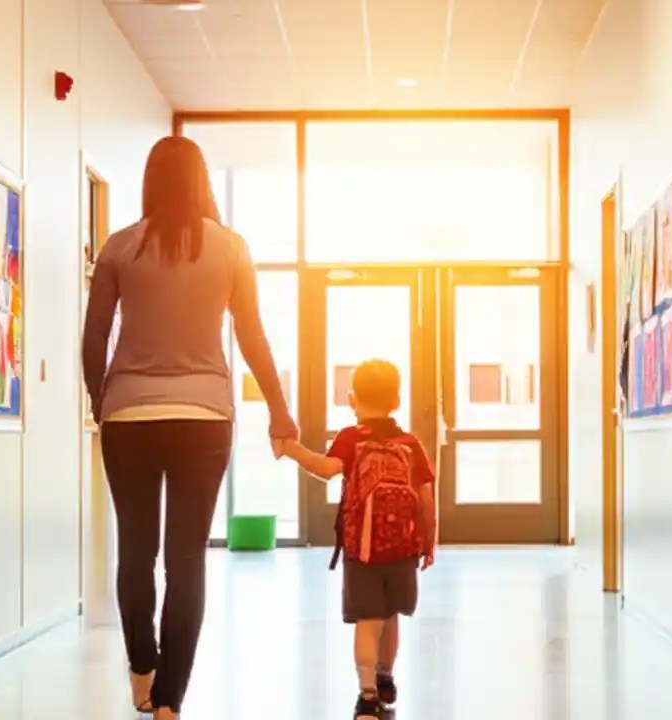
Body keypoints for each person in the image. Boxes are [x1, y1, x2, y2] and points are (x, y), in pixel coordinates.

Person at [82, 136, 297, 720]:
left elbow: (94, 335)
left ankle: (142, 668)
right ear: (202, 181)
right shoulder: (231, 248)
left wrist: (101, 401)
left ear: (151, 180)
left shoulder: (120, 247)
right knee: (186, 558)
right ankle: (170, 699)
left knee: (135, 549)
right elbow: (252, 335)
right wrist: (279, 410)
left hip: (129, 416)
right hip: (204, 419)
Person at [278, 359, 437, 720]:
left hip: (362, 550)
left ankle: (367, 697)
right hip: (402, 549)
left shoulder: (351, 439)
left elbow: (324, 469)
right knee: (391, 616)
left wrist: (291, 449)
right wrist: (427, 541)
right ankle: (385, 677)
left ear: (352, 400)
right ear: (396, 401)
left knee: (369, 620)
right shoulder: (411, 444)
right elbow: (426, 496)